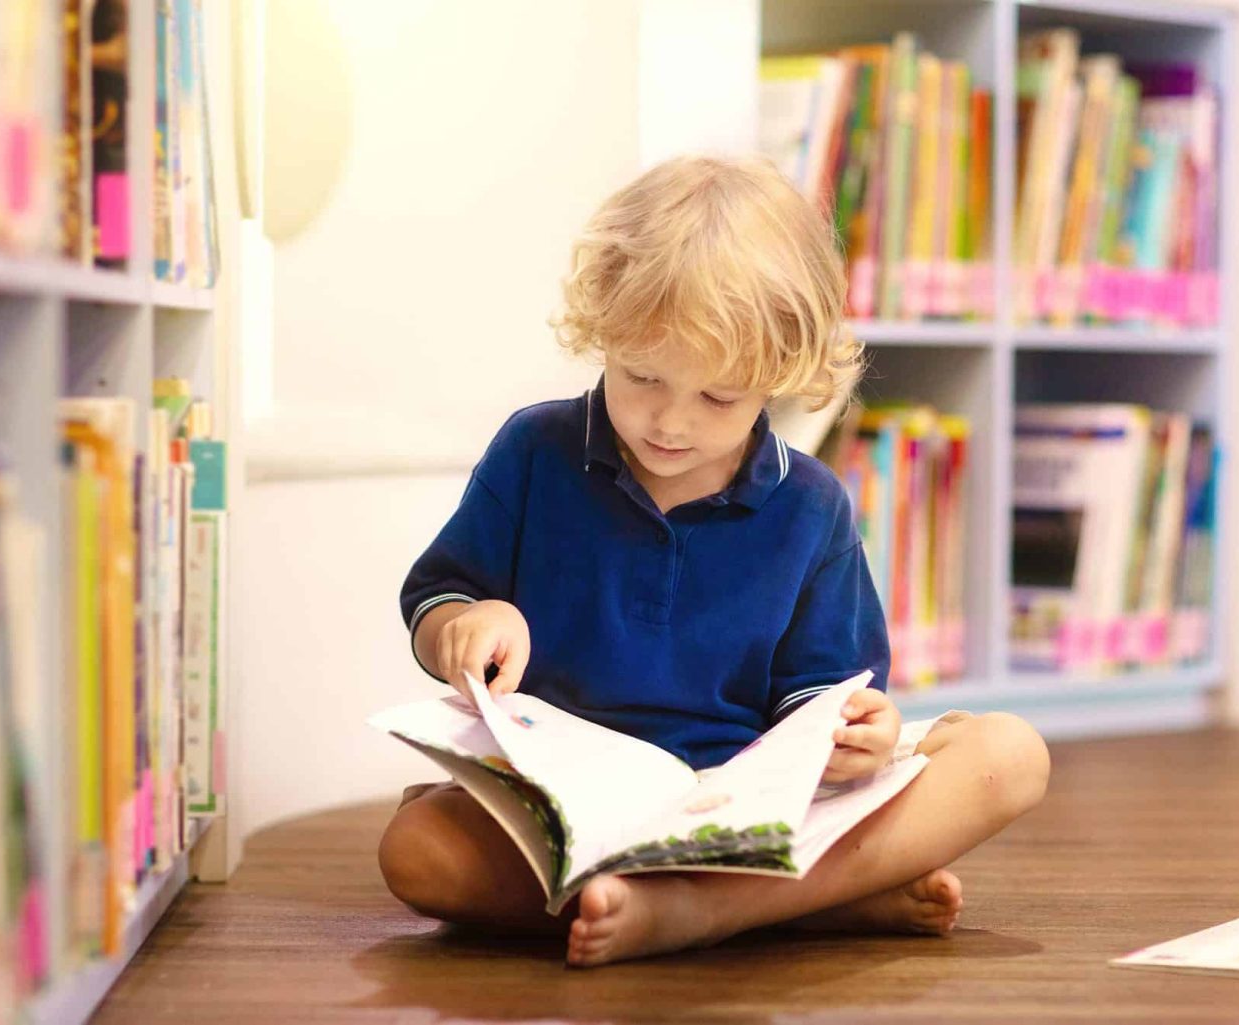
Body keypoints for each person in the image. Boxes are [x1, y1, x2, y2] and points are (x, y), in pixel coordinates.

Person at [377, 155, 1050, 968]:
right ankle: (804, 903)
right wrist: (465, 624)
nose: (669, 420)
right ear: (603, 332)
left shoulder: (812, 506)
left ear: (780, 375)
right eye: (642, 376)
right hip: (567, 804)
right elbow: (439, 599)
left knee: (1010, 755)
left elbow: (826, 704)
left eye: (718, 397)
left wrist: (859, 736)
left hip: (747, 810)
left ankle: (702, 906)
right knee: (417, 850)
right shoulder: (534, 451)